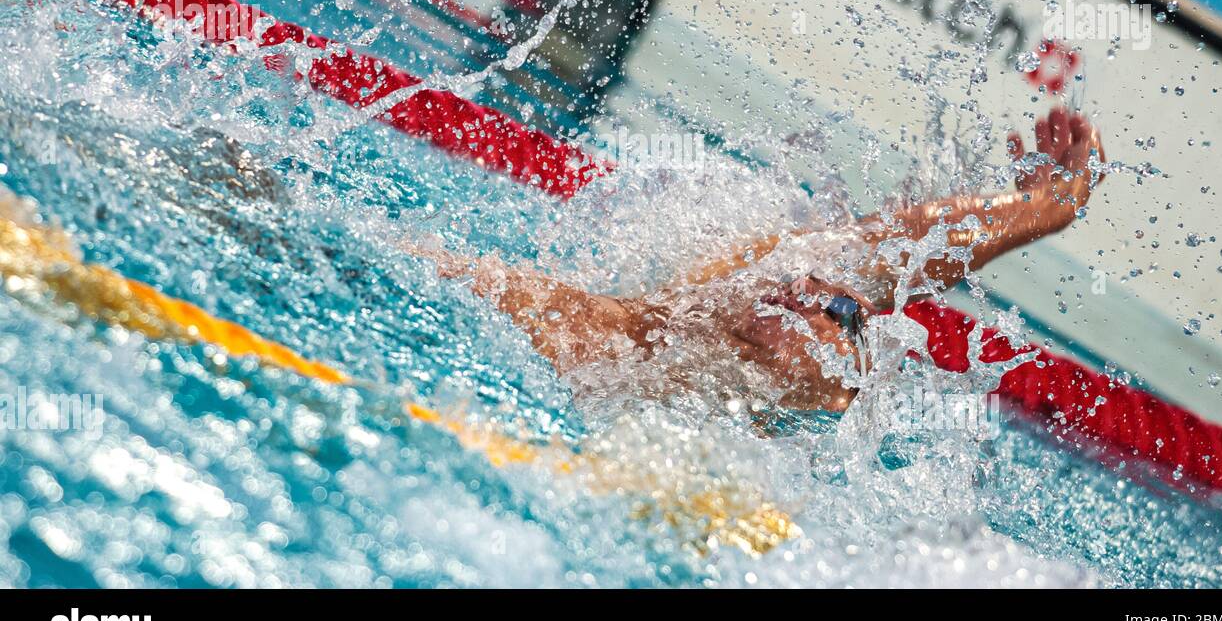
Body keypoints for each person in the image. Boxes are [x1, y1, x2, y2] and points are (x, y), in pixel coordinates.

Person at [409, 106, 1105, 414]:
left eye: (840, 311)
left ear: (834, 391)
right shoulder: (648, 320)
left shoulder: (770, 431)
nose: (809, 291)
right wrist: (1044, 210)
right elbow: (905, 241)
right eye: (817, 283)